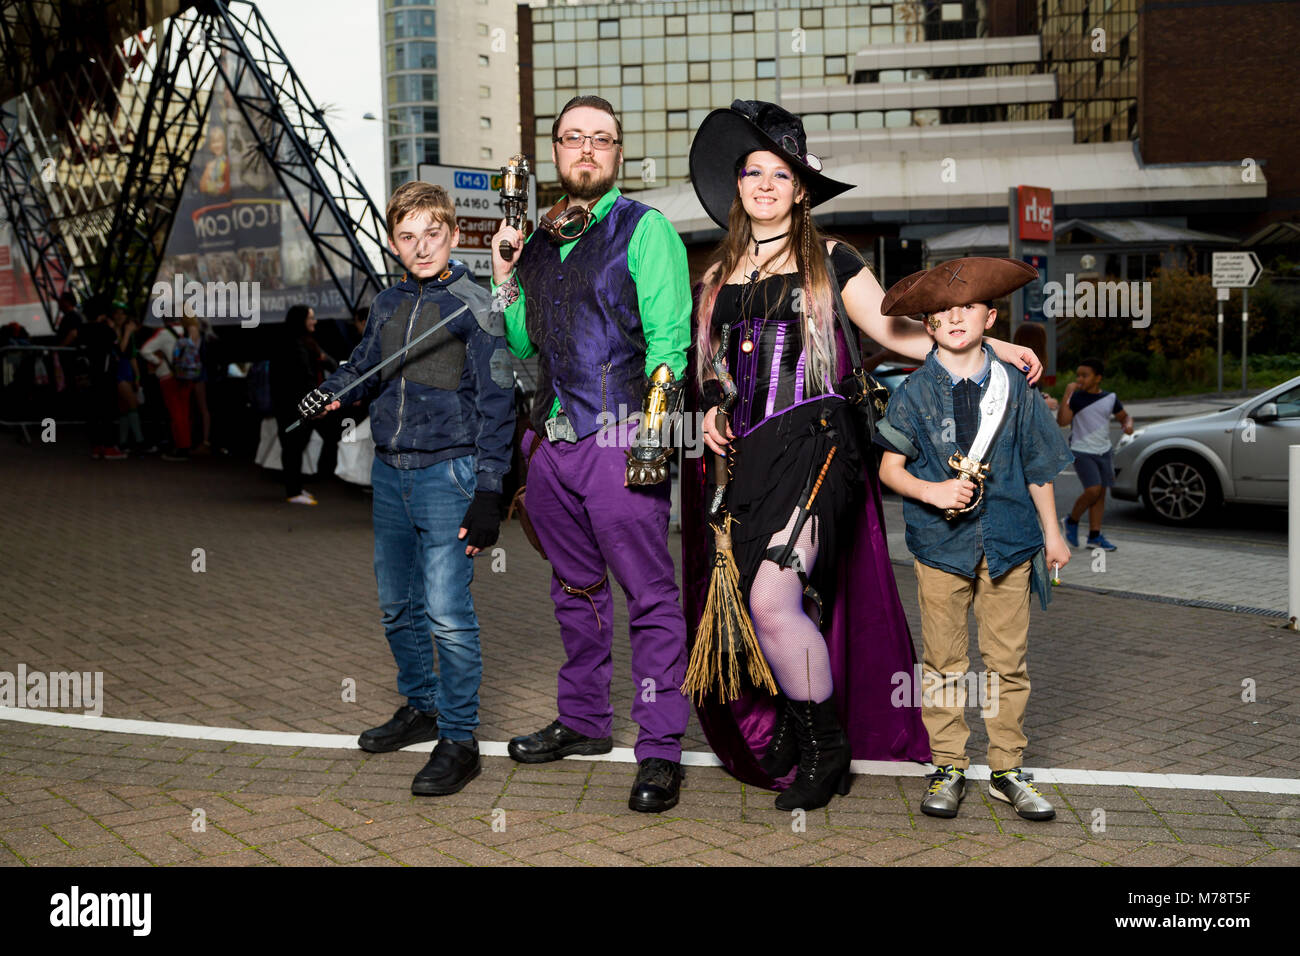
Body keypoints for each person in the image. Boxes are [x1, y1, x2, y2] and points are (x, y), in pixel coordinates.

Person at [682, 100, 1046, 811]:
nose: (764, 184)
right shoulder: (716, 273)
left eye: (779, 173)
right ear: (738, 185)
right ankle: (795, 717)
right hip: (748, 459)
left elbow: (902, 335)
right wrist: (707, 415)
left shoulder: (832, 258)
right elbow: (712, 376)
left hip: (820, 442)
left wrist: (991, 346)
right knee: (763, 609)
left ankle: (824, 746)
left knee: (773, 597)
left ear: (801, 188)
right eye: (752, 171)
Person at [490, 94, 694, 813]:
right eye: (572, 138)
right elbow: (521, 346)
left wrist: (653, 435)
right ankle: (582, 722)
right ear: (554, 153)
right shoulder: (539, 242)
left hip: (620, 439)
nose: (586, 150)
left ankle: (661, 749)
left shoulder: (647, 230)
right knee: (574, 592)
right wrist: (506, 274)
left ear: (617, 153)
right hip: (551, 445)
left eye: (600, 139)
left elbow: (671, 343)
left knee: (649, 596)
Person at [299, 180, 514, 797]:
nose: (422, 247)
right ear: (393, 244)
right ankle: (420, 707)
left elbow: (499, 405)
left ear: (452, 232)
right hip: (390, 472)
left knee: (447, 614)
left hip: (451, 474)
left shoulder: (478, 304)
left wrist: (490, 493)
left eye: (432, 233)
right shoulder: (388, 302)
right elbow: (363, 367)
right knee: (398, 606)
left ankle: (460, 738)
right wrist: (333, 390)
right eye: (407, 236)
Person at [874, 257, 1073, 821]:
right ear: (928, 327)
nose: (954, 318)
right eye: (941, 312)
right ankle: (949, 766)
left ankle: (1007, 769)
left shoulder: (1016, 386)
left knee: (1009, 662)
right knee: (943, 663)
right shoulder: (913, 392)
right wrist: (931, 492)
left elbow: (1039, 465)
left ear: (989, 318)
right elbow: (890, 469)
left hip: (1010, 543)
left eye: (967, 309)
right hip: (939, 546)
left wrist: (1054, 536)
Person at [1058, 358, 1133, 552]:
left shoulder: (1110, 398)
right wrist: (1068, 393)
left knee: (1100, 495)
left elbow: (1125, 417)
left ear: (1098, 378)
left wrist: (1128, 424)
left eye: (1085, 375)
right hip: (1082, 450)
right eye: (1078, 375)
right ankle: (1071, 520)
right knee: (1093, 490)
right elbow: (1062, 421)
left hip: (1104, 450)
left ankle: (1094, 536)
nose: (1080, 379)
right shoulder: (1075, 398)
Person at [270, 305, 337, 504]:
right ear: (301, 320)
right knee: (293, 446)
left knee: (296, 446)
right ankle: (293, 491)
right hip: (293, 406)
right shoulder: (293, 344)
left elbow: (329, 364)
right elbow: (301, 379)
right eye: (311, 318)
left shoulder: (306, 343)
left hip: (296, 405)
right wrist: (315, 405)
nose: (314, 321)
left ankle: (296, 488)